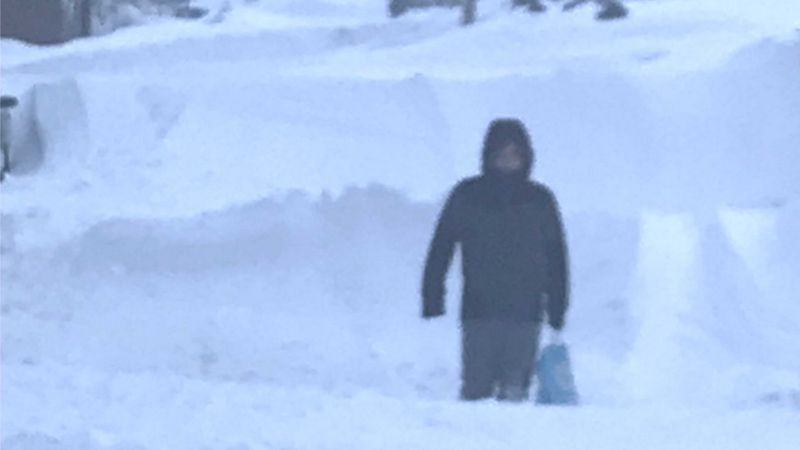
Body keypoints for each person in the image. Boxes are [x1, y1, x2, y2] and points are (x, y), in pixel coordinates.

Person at [421, 118, 570, 401]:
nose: (507, 161)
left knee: (515, 392)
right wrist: (432, 296)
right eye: (501, 154)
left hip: (526, 313)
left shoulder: (539, 200)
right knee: (476, 390)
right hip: (479, 312)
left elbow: (557, 258)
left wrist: (557, 306)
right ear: (488, 156)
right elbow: (441, 246)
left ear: (526, 157)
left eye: (514, 155)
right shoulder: (468, 195)